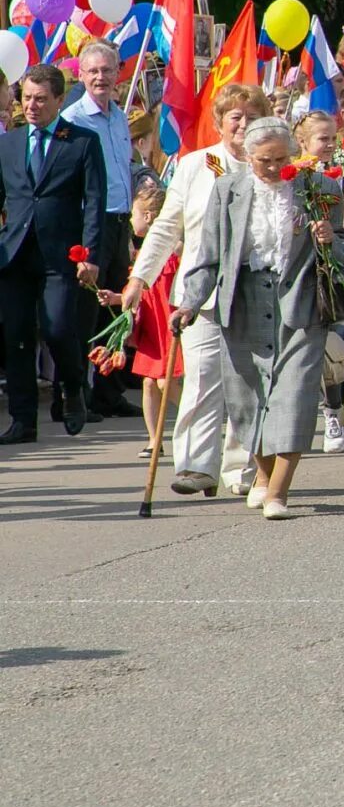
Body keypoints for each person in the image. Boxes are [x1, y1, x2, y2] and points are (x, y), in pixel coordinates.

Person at [176, 117, 344, 520]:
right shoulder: (227, 190)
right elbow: (208, 257)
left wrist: (327, 239)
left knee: (294, 395)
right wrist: (189, 303)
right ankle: (263, 476)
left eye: (281, 160)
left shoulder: (320, 189)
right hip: (243, 300)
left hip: (301, 302)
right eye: (264, 161)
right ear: (248, 157)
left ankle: (277, 493)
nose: (273, 169)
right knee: (247, 396)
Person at [122, 84, 266, 489]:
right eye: (234, 116)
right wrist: (140, 278)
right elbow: (167, 226)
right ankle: (196, 465)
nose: (242, 123)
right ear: (219, 123)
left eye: (251, 116)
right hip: (200, 292)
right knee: (201, 377)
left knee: (247, 382)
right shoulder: (196, 164)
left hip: (254, 289)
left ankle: (241, 468)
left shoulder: (269, 164)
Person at [0, 64, 106, 444]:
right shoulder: (8, 143)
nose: (32, 106)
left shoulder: (80, 142)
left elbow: (95, 202)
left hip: (60, 255)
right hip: (13, 255)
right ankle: (23, 419)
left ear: (60, 101)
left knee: (59, 328)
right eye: (27, 97)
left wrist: (90, 254)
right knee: (16, 336)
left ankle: (73, 388)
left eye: (42, 99)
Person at [62, 40, 141, 417]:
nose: (100, 77)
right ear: (81, 74)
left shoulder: (119, 117)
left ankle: (108, 392)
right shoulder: (73, 119)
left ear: (117, 74)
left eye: (107, 71)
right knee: (86, 311)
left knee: (117, 310)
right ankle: (75, 394)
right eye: (92, 71)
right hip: (90, 223)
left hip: (120, 219)